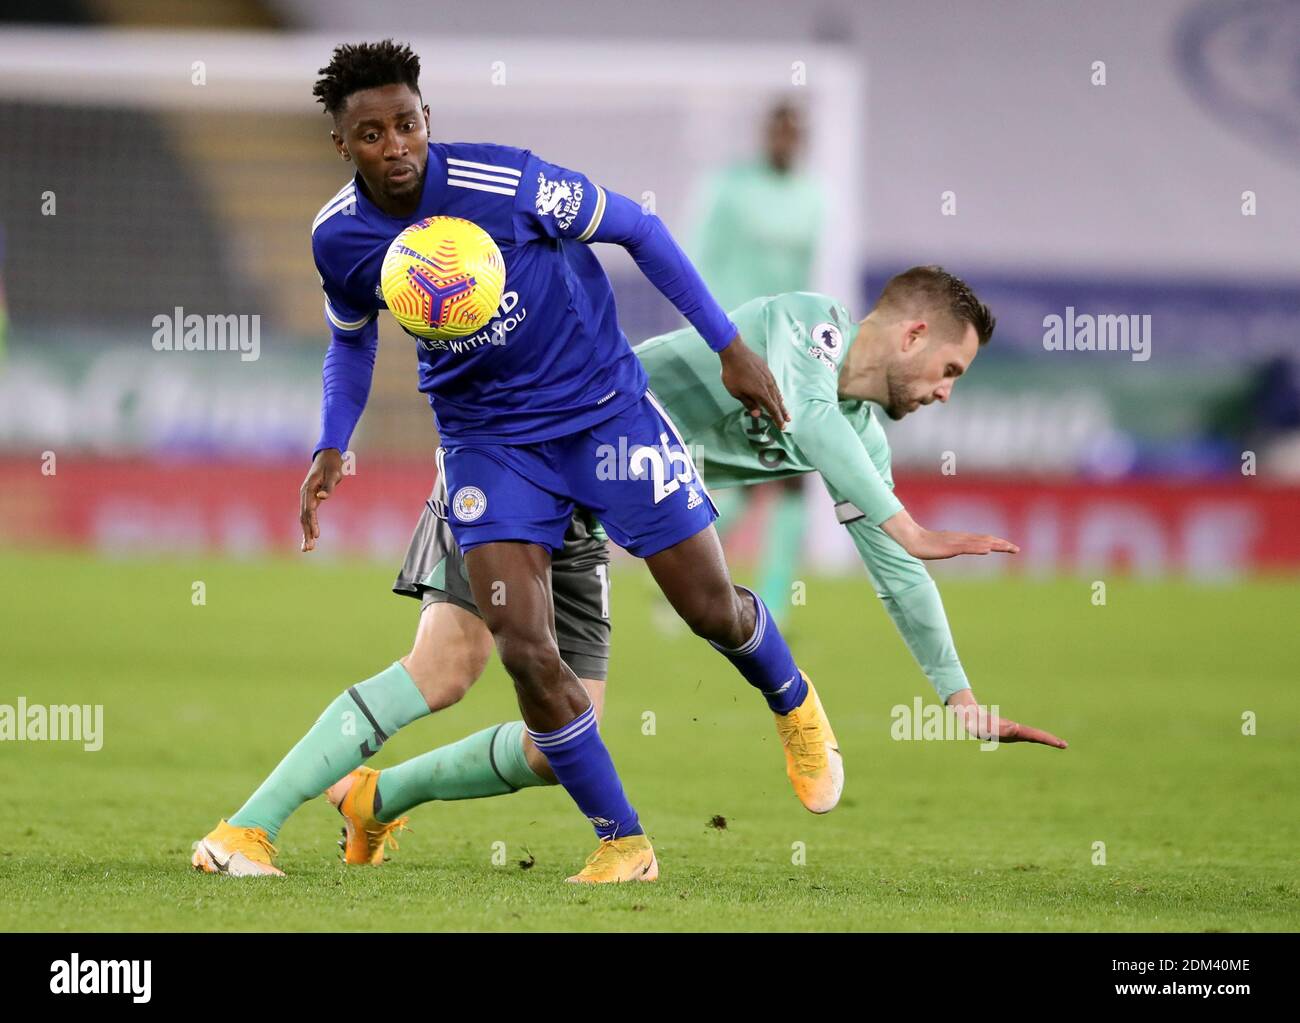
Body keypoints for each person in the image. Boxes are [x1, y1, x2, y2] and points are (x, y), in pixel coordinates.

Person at [191, 38, 841, 885]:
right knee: (520, 653)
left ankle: (791, 698)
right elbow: (351, 341)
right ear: (341, 145)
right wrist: (331, 440)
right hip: (490, 449)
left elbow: (638, 228)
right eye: (373, 135)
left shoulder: (508, 183)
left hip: (604, 417)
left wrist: (728, 347)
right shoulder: (340, 239)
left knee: (708, 610)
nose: (396, 148)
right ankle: (624, 845)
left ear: (429, 120)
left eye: (408, 125)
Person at [195, 267, 1065, 879]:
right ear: (914, 332)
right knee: (444, 669)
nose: (947, 391)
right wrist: (909, 523)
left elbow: (896, 572)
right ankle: (248, 827)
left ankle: (373, 798)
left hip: (598, 517)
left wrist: (958, 698)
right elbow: (812, 421)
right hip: (523, 453)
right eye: (951, 369)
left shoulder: (866, 444)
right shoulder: (807, 325)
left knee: (559, 744)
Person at [689, 102, 827, 627]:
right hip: (730, 345)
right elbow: (696, 262)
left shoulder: (816, 197)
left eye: (795, 132)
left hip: (783, 345)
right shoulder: (728, 189)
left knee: (788, 468)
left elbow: (803, 272)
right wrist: (712, 337)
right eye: (778, 130)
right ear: (764, 133)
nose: (786, 140)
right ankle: (696, 576)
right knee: (758, 473)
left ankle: (762, 597)